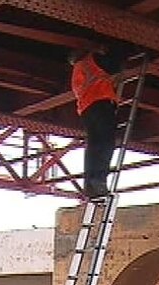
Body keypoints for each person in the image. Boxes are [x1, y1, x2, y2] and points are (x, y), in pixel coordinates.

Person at [68, 47, 122, 200]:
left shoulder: (77, 71)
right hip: (100, 103)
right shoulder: (91, 61)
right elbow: (115, 64)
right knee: (105, 143)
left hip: (86, 109)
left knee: (94, 146)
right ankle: (98, 180)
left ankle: (91, 185)